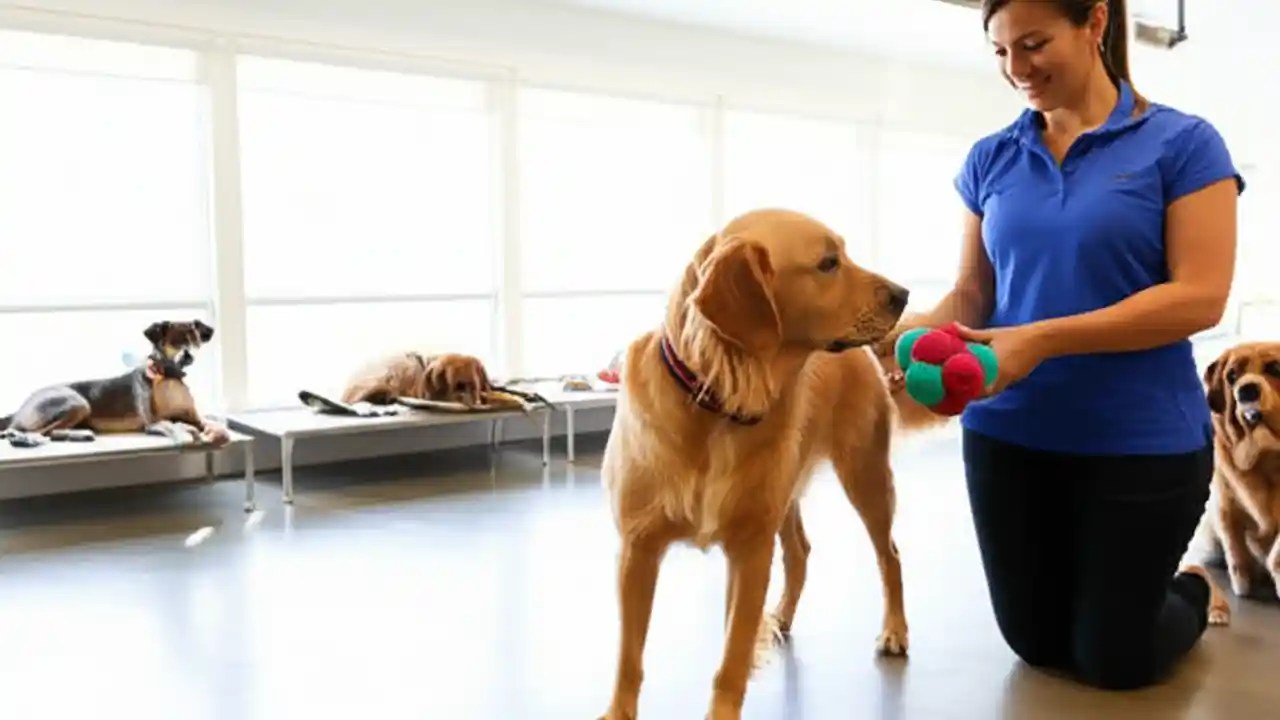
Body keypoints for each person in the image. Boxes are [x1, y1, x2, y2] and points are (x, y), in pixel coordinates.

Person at [877, 0, 1244, 691]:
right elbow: (972, 296)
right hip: (1010, 436)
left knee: (1115, 661)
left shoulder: (1185, 144)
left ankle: (1191, 588)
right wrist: (899, 339)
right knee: (1037, 645)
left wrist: (1039, 341)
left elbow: (1200, 296)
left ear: (1095, 22)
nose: (1017, 69)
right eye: (1000, 52)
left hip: (1141, 443)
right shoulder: (992, 157)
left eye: (1035, 43)